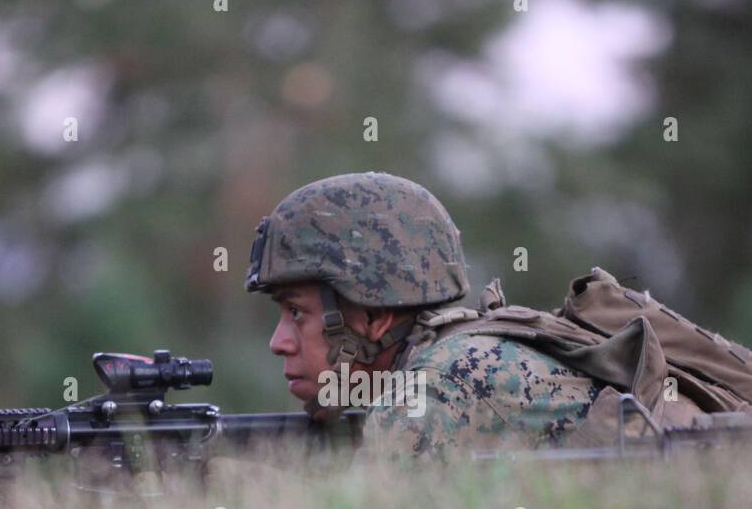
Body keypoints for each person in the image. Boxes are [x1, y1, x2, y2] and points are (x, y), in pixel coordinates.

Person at [244, 171, 606, 460]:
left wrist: (230, 480)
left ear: (374, 317)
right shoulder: (446, 358)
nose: (279, 343)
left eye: (297, 312)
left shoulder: (439, 385)